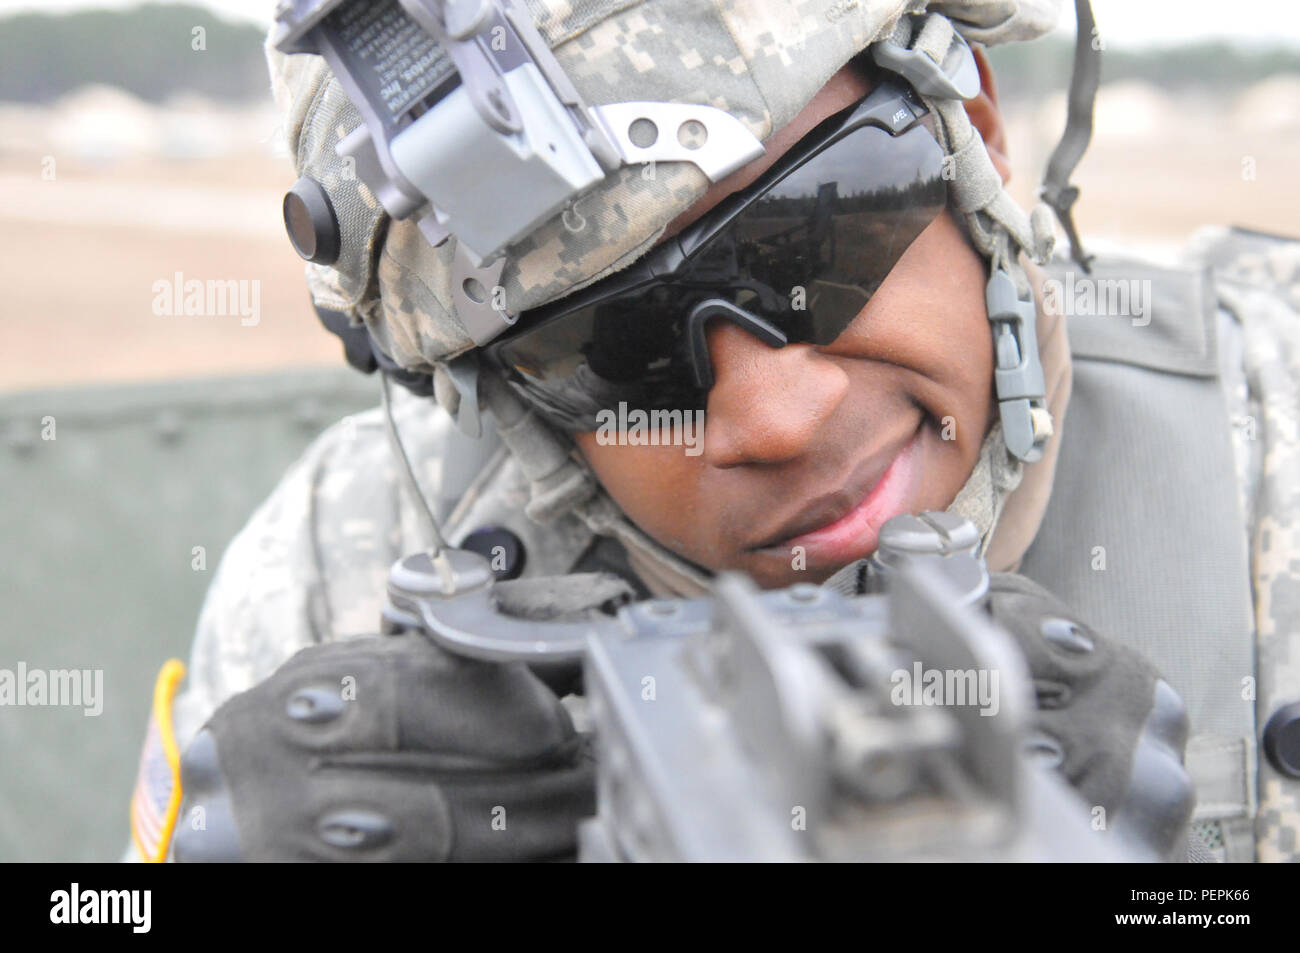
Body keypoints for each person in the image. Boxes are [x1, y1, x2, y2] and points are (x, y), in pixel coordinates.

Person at [126, 0, 1299, 863]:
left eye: (812, 243)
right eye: (610, 347)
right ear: (513, 400)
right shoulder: (338, 568)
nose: (772, 419)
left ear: (974, 133)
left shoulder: (1272, 412)